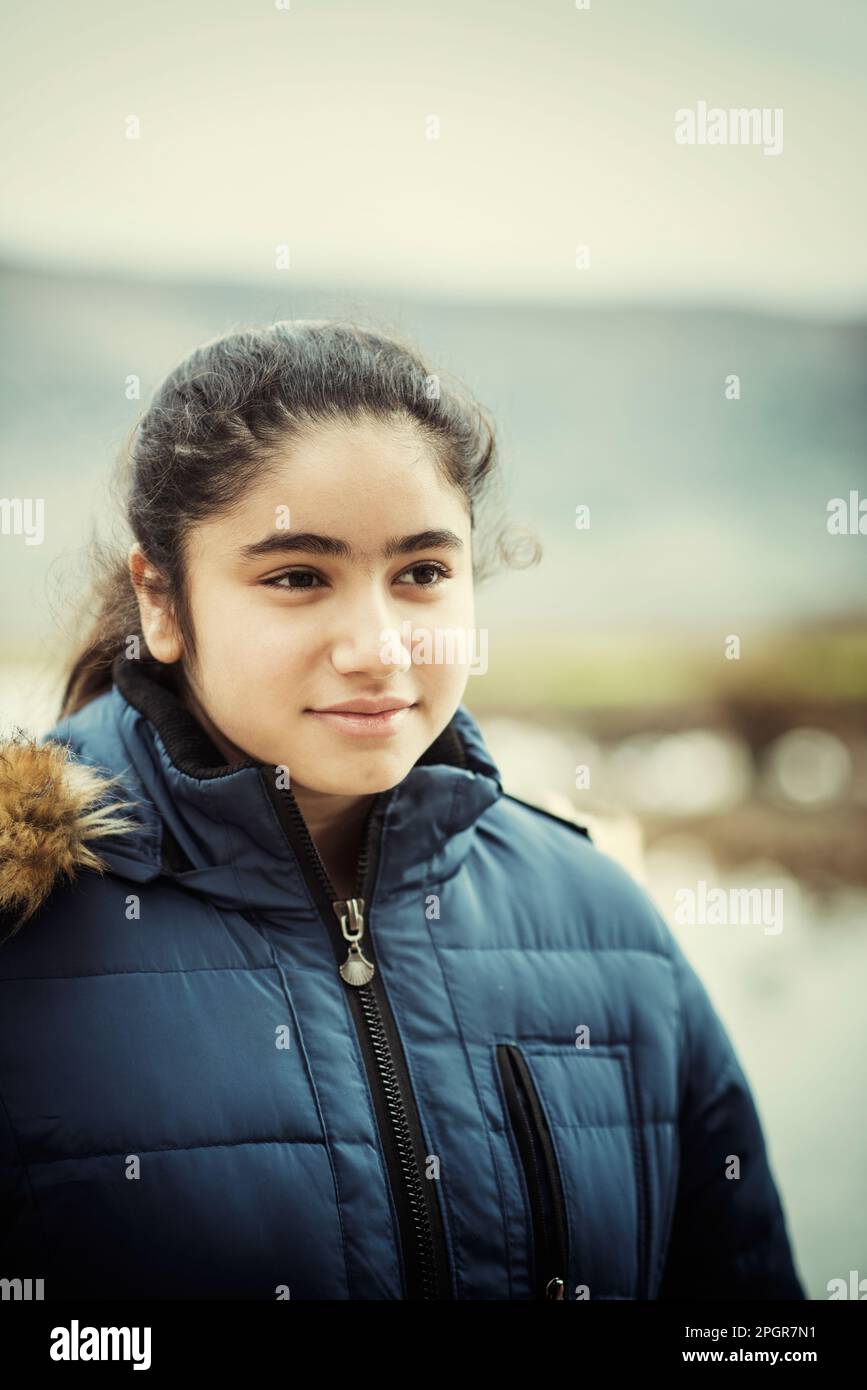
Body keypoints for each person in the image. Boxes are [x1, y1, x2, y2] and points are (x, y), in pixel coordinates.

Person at [0, 320, 805, 1300]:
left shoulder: (603, 924)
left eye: (421, 573)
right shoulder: (25, 922)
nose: (379, 647)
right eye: (298, 577)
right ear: (162, 601)